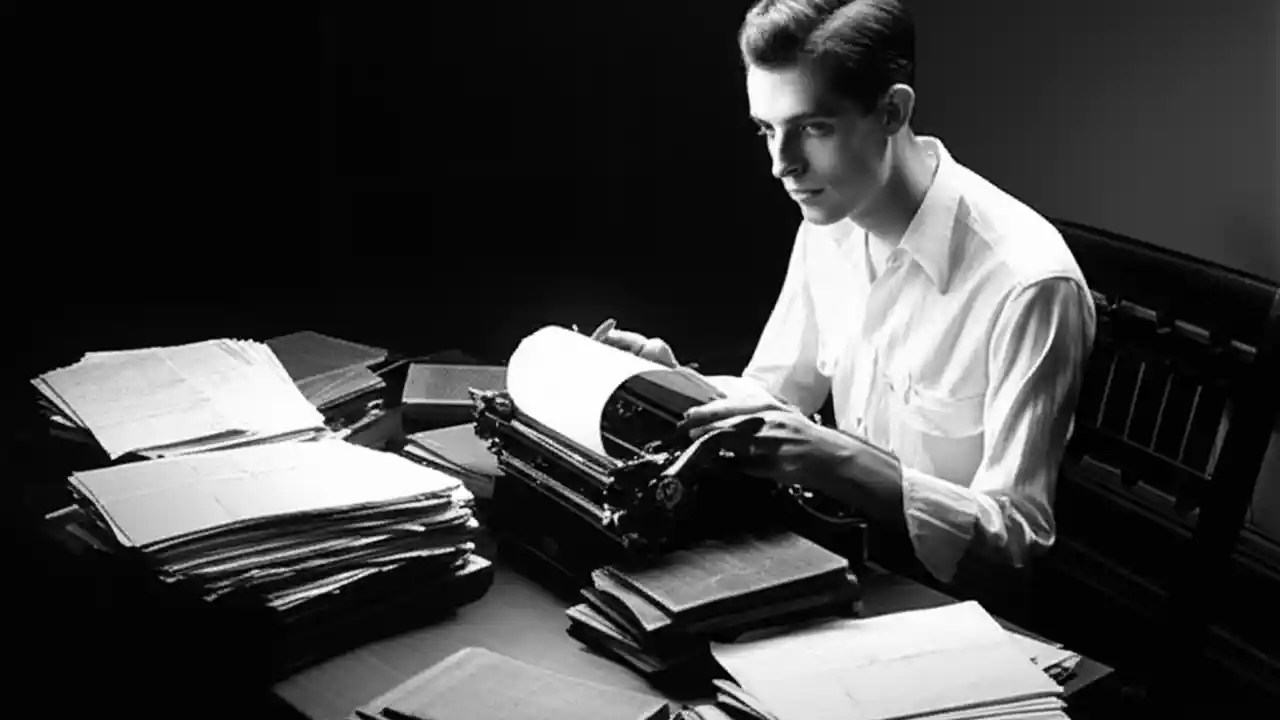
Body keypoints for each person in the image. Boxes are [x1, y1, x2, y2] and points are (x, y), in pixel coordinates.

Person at [601, 0, 1096, 611]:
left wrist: (840, 462)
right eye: (766, 130)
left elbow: (1015, 540)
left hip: (958, 612)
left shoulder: (1030, 283)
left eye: (814, 128)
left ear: (893, 111)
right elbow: (775, 396)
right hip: (844, 562)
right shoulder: (829, 220)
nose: (781, 164)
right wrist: (674, 385)